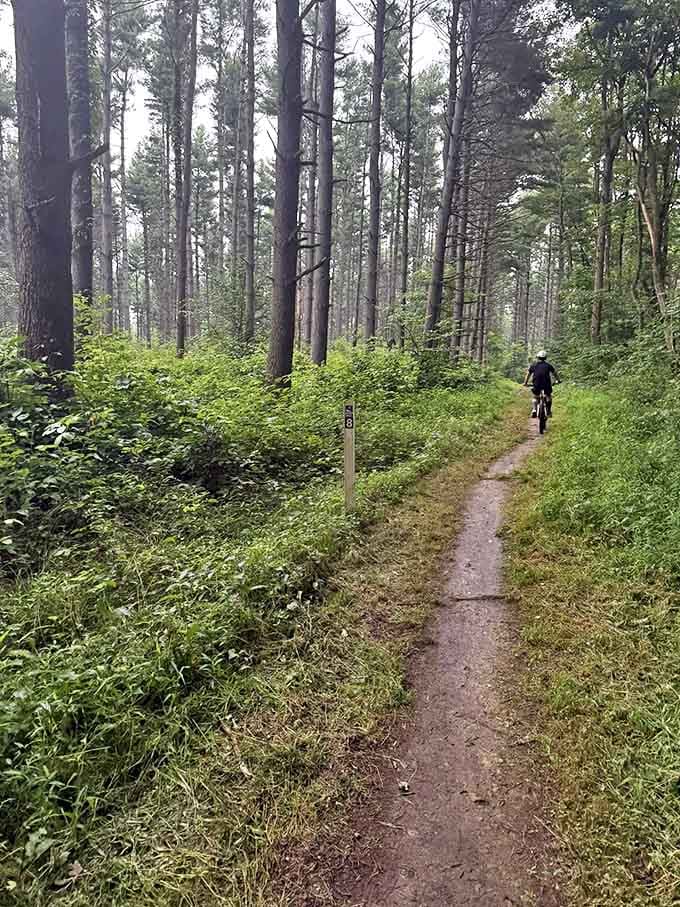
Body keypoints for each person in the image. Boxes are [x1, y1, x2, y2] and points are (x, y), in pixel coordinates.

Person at [523, 350, 560, 418]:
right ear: (545, 358)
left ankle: (534, 409)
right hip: (546, 384)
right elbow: (555, 373)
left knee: (535, 396)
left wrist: (525, 383)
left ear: (538, 357)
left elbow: (528, 374)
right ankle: (548, 411)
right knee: (548, 396)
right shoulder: (548, 365)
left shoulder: (533, 365)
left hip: (536, 383)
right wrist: (558, 380)